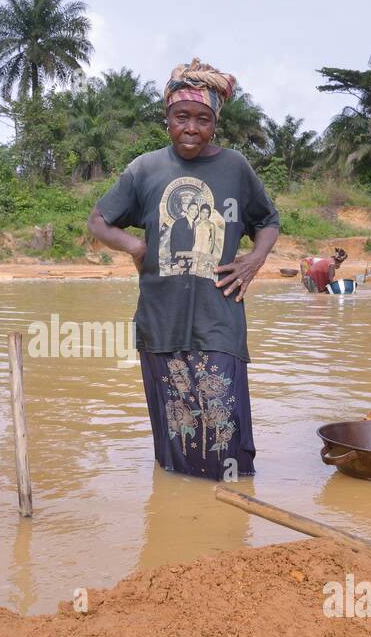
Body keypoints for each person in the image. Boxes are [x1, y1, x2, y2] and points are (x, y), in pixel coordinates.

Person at [87, 58, 280, 481]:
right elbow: (99, 221)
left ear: (215, 124)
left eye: (203, 119)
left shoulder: (235, 168)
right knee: (176, 430)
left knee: (223, 418)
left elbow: (268, 220)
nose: (191, 128)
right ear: (167, 119)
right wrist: (136, 245)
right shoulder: (145, 169)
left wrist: (254, 259)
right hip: (162, 321)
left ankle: (228, 520)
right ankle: (179, 513)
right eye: (182, 117)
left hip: (220, 318)